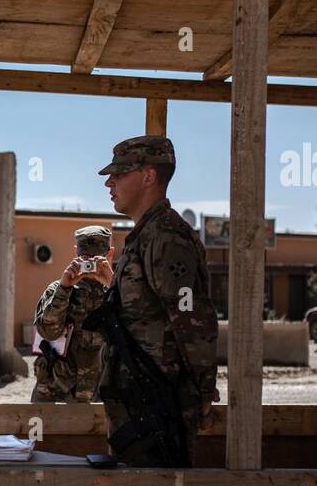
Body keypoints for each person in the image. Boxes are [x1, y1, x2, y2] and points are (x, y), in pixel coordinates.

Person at [98, 136, 219, 465]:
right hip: (137, 401)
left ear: (148, 176)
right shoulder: (144, 236)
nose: (110, 182)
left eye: (120, 173)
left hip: (159, 401)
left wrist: (204, 393)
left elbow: (192, 319)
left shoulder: (166, 237)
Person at [30, 226, 114, 402]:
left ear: (110, 254)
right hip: (58, 393)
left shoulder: (121, 292)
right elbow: (47, 332)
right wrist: (64, 289)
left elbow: (137, 330)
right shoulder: (58, 289)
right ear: (75, 253)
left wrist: (113, 286)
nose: (90, 265)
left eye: (96, 259)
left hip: (103, 396)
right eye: (84, 259)